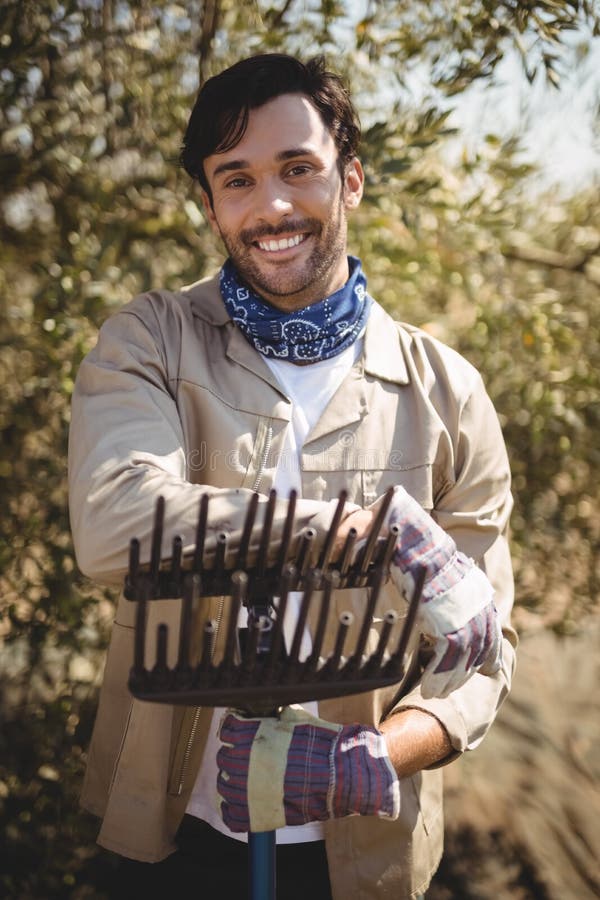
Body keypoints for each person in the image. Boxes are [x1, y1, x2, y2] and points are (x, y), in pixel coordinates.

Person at [68, 54, 516, 899]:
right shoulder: (150, 342)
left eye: (297, 168)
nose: (270, 206)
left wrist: (370, 759)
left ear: (350, 181)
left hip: (361, 854)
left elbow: (486, 654)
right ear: (209, 206)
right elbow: (112, 524)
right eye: (236, 179)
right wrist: (362, 529)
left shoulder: (448, 392)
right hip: (171, 843)